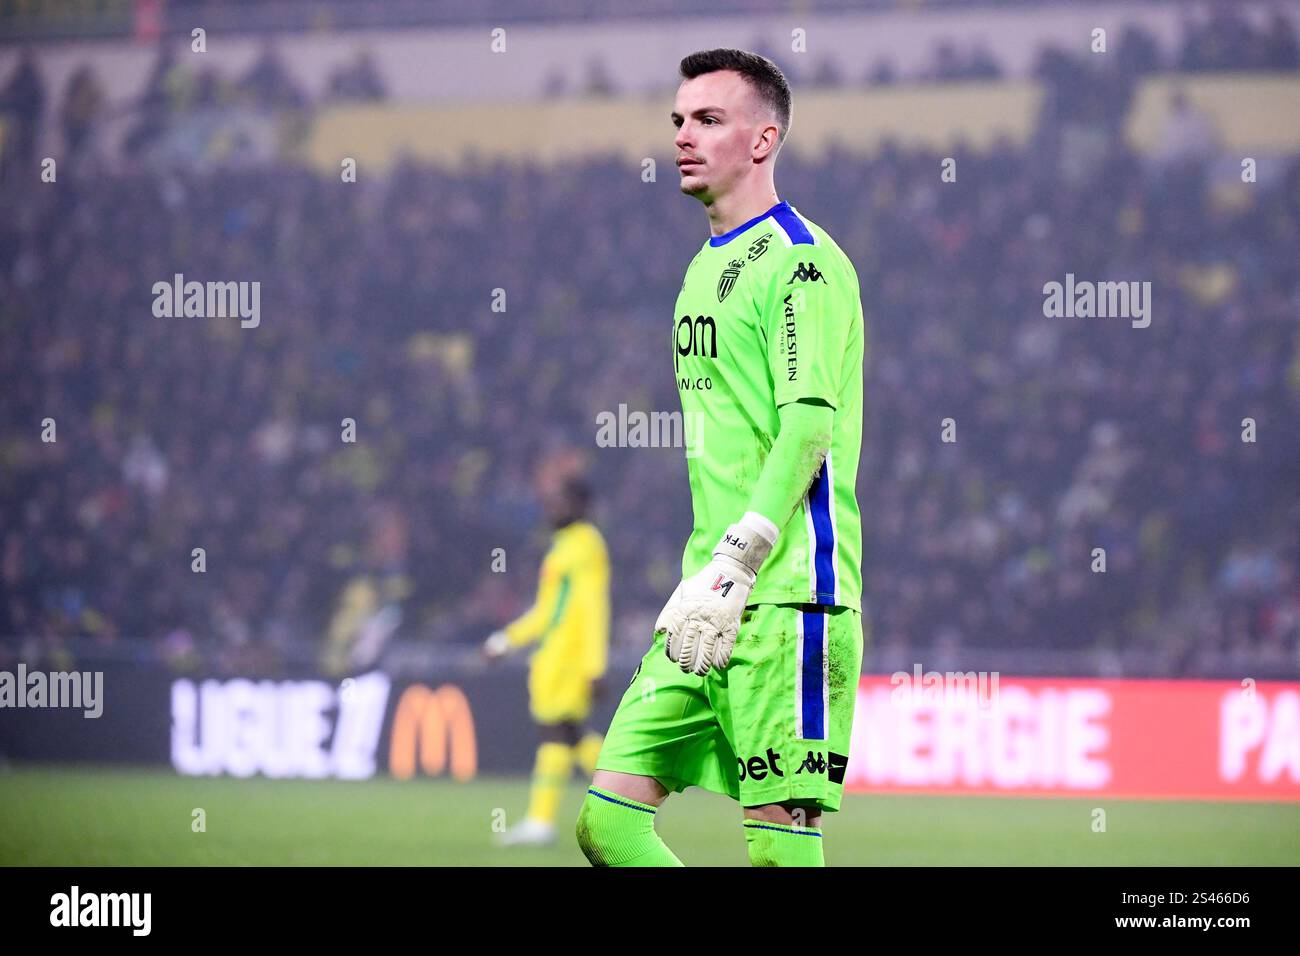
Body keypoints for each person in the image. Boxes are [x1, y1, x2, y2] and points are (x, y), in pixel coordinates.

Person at [576, 48, 866, 867]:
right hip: (705, 601)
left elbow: (809, 431)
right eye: (677, 120)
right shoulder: (701, 273)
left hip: (786, 594)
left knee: (778, 851)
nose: (682, 136)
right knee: (609, 823)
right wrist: (712, 575)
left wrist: (740, 560)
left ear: (764, 139)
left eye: (708, 119)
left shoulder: (802, 264)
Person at [484, 474, 610, 846]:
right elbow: (546, 611)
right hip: (553, 657)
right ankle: (629, 788)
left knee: (557, 732)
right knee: (568, 736)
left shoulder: (585, 545)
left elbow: (593, 607)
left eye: (561, 501)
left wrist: (594, 665)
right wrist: (506, 640)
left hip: (569, 660)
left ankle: (542, 821)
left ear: (581, 506)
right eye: (552, 501)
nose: (553, 508)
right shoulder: (563, 546)